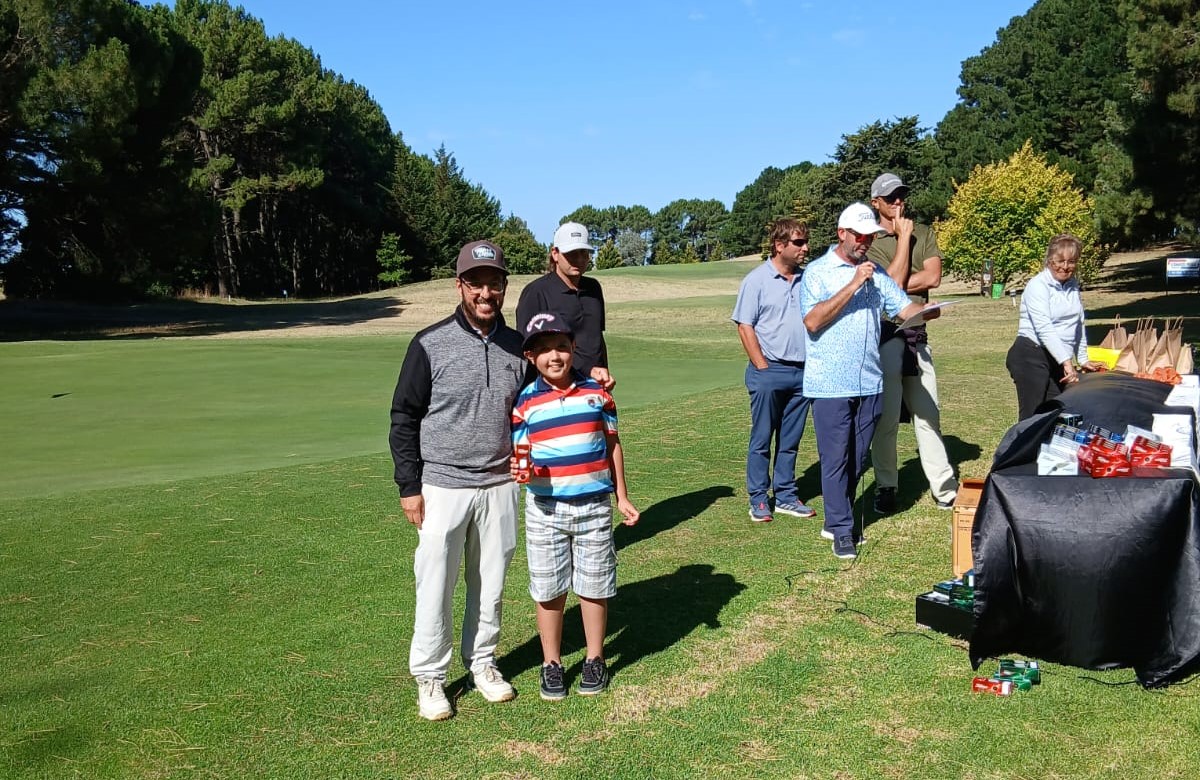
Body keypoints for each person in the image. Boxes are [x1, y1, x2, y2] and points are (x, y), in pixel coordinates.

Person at [389, 239, 527, 721]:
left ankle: (483, 663)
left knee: (489, 584)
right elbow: (403, 416)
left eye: (494, 283)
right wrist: (409, 486)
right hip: (442, 485)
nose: (485, 292)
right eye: (476, 283)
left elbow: (530, 412)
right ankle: (430, 676)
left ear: (504, 287)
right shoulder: (429, 343)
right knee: (435, 584)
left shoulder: (518, 346)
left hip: (499, 484)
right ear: (460, 285)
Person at [511, 311, 640, 700]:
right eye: (545, 349)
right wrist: (522, 467)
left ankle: (594, 658)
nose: (556, 356)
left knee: (594, 583)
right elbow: (519, 452)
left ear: (573, 350)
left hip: (595, 505)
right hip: (545, 508)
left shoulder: (597, 394)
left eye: (563, 347)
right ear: (531, 357)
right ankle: (551, 662)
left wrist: (622, 496)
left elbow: (613, 445)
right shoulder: (524, 403)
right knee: (549, 587)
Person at [800, 203, 939, 560]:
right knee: (836, 459)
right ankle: (842, 531)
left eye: (871, 237)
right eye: (859, 236)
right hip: (831, 384)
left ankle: (835, 520)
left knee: (858, 458)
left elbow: (902, 308)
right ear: (841, 234)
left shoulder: (876, 272)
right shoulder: (818, 273)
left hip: (870, 382)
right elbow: (813, 321)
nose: (866, 242)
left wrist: (928, 311)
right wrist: (854, 283)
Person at [865, 173, 958, 513]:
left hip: (918, 337)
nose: (898, 202)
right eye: (890, 198)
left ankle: (945, 489)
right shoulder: (871, 241)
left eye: (901, 195)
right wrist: (902, 241)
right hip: (887, 338)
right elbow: (885, 283)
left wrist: (897, 281)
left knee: (928, 415)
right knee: (886, 420)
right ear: (876, 202)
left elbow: (932, 276)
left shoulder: (925, 233)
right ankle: (887, 486)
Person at [731, 218, 817, 523]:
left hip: (802, 372)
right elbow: (745, 326)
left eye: (805, 241)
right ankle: (759, 498)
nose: (805, 248)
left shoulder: (809, 280)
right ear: (779, 245)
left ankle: (785, 495)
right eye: (798, 242)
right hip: (769, 371)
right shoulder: (756, 280)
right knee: (762, 438)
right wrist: (762, 367)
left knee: (791, 440)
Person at [1005, 233, 1105, 420]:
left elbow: (1078, 322)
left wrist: (1082, 359)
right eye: (1060, 261)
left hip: (1057, 359)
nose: (1065, 267)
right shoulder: (1038, 286)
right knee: (1032, 417)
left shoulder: (1072, 285)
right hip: (1031, 354)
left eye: (1071, 261)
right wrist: (1067, 363)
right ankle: (1018, 449)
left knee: (1055, 413)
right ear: (1049, 259)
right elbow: (1044, 328)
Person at [516, 221, 615, 391]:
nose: (579, 259)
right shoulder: (536, 292)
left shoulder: (593, 288)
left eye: (584, 253)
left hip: (596, 386)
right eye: (571, 254)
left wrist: (604, 374)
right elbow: (528, 350)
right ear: (555, 253)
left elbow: (597, 339)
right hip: (555, 391)